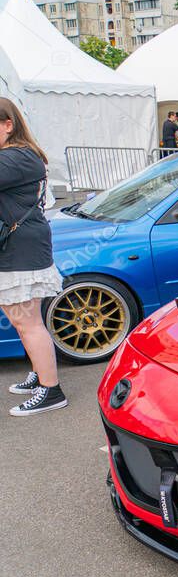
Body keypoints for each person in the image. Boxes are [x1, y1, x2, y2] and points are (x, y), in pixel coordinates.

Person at [0, 98, 67, 415]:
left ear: (8, 124)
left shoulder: (17, 158)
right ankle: (41, 372)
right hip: (20, 246)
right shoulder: (17, 156)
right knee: (23, 321)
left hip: (22, 248)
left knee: (27, 323)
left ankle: (51, 390)